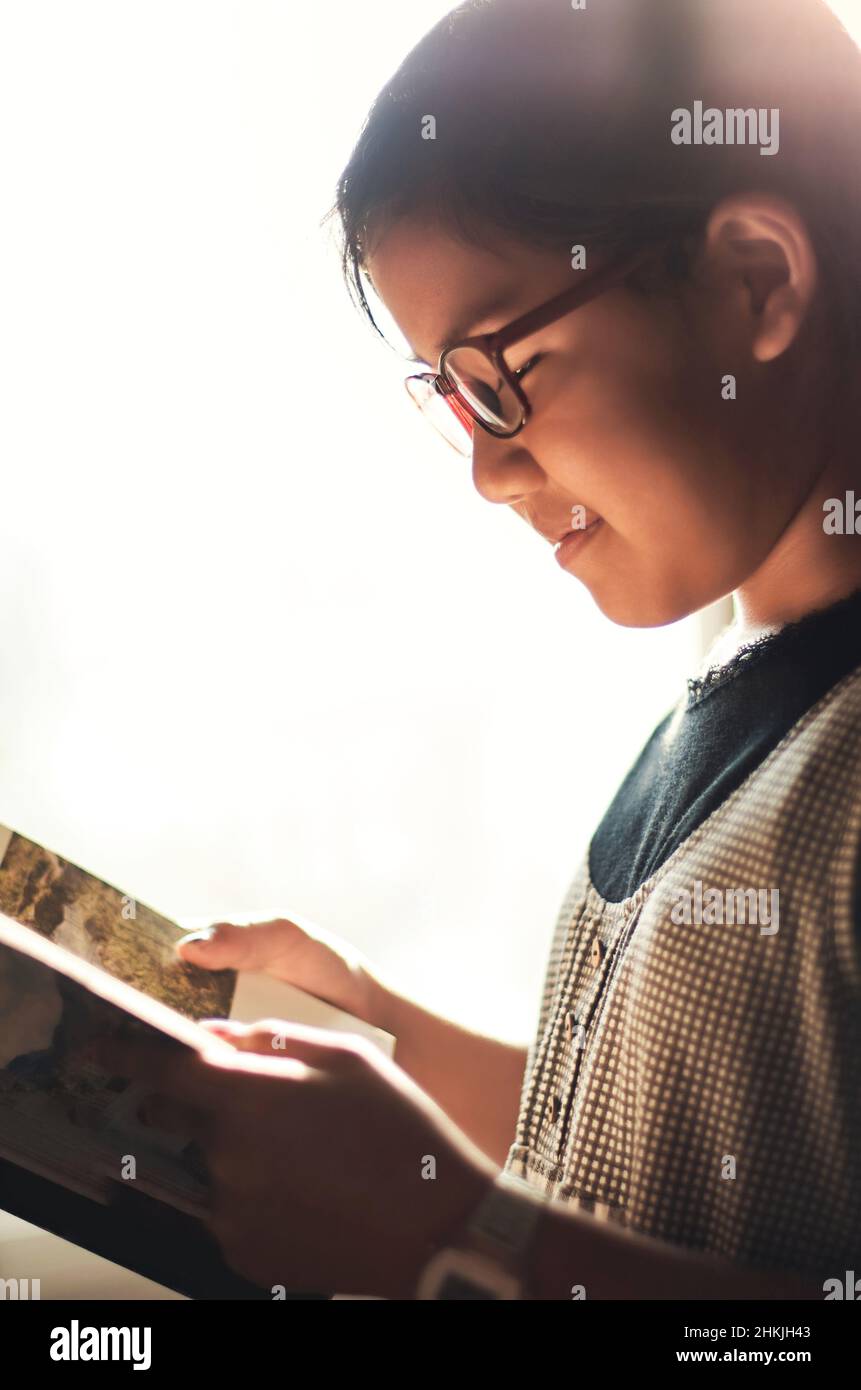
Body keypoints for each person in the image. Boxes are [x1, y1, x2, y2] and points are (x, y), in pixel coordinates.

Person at [108, 0, 861, 1298]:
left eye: (496, 373)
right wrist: (379, 1038)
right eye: (447, 397)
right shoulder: (729, 675)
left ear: (756, 283)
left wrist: (456, 1241)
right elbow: (654, 1160)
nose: (486, 469)